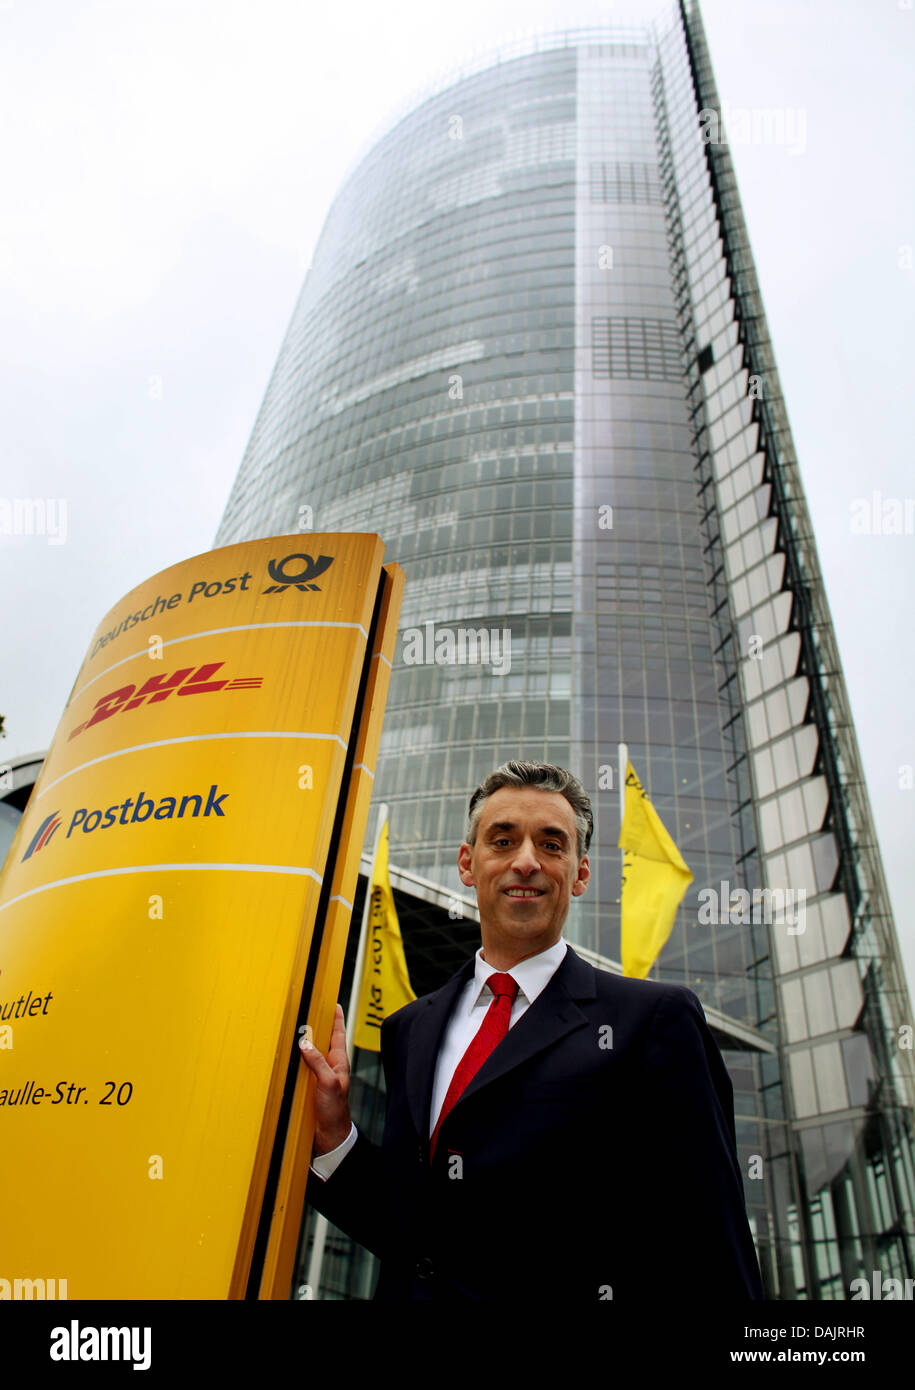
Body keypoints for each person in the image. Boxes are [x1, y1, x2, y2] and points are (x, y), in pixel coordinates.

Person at [299, 760, 765, 1301]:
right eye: (503, 841)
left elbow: (712, 1241)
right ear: (468, 865)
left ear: (580, 872)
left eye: (551, 844)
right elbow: (414, 1234)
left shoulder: (654, 1022)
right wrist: (335, 1139)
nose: (526, 862)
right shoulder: (409, 1028)